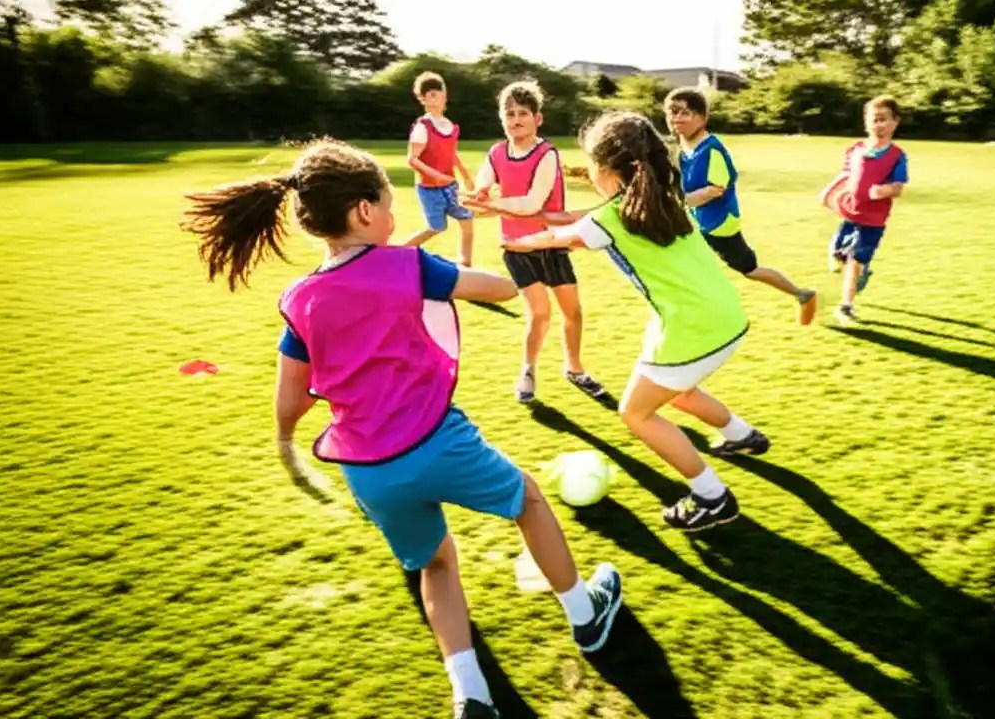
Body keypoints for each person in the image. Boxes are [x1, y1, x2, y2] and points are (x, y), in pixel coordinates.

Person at [179, 139, 623, 719]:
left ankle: (471, 694)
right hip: (439, 441)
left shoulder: (300, 299)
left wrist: (287, 442)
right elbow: (497, 287)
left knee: (435, 564)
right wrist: (434, 273)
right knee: (529, 503)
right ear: (365, 211)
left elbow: (290, 397)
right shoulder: (408, 265)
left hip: (368, 470)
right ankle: (586, 621)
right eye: (390, 206)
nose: (394, 218)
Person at [504, 111, 773, 532]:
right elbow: (578, 225)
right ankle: (742, 436)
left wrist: (512, 241)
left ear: (608, 169)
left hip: (692, 328)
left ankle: (712, 498)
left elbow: (560, 237)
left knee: (636, 413)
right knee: (677, 392)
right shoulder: (663, 200)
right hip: (725, 317)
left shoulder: (611, 217)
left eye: (591, 162)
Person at [464, 80, 607, 405]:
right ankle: (527, 371)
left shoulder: (547, 155)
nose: (516, 120)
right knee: (539, 313)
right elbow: (484, 185)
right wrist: (479, 194)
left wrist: (491, 205)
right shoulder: (496, 153)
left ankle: (575, 368)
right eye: (510, 114)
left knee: (573, 312)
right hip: (515, 246)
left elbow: (531, 204)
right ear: (502, 119)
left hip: (551, 242)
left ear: (537, 119)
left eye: (523, 114)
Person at [664, 87, 819, 325]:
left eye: (685, 113)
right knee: (682, 261)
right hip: (699, 220)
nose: (676, 118)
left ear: (702, 118)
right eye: (672, 112)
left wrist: (677, 202)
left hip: (719, 224)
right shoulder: (684, 149)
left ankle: (803, 294)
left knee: (749, 269)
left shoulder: (711, 149)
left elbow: (715, 189)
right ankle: (691, 312)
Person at [822, 95, 909, 324]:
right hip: (849, 214)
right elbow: (846, 175)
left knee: (855, 261)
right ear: (866, 122)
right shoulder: (855, 149)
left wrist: (882, 191)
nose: (878, 125)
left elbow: (899, 187)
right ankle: (859, 270)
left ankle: (846, 307)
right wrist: (828, 194)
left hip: (874, 221)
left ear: (895, 122)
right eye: (874, 119)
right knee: (838, 256)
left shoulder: (897, 156)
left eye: (883, 120)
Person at [404, 71, 476, 266]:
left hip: (450, 186)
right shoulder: (423, 127)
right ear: (422, 99)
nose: (440, 97)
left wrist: (465, 176)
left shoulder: (449, 125)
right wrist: (436, 176)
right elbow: (412, 159)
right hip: (429, 188)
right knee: (436, 227)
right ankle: (398, 252)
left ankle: (465, 264)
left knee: (468, 219)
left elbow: (451, 154)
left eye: (441, 93)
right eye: (433, 94)